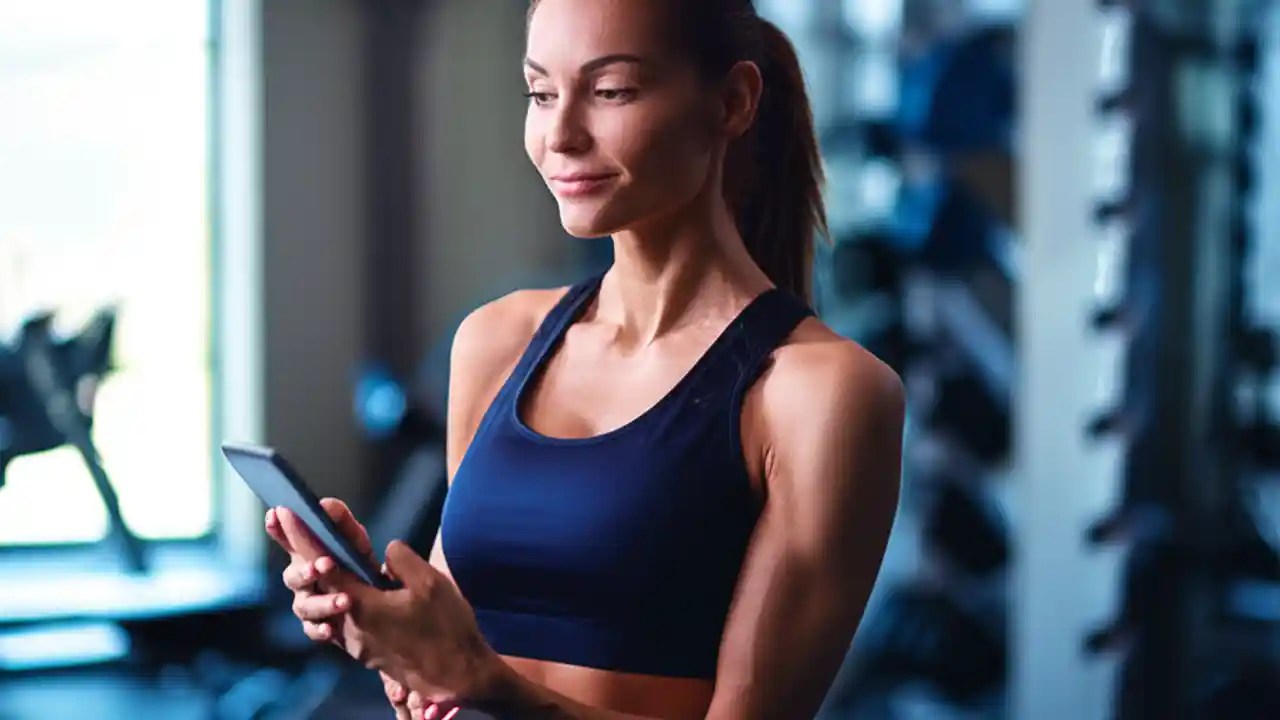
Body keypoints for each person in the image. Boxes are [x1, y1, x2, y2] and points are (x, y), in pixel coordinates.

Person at [265, 0, 905, 717]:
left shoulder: (821, 392)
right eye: (540, 94)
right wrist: (390, 628)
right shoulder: (494, 341)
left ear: (732, 101)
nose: (560, 136)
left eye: (610, 91)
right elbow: (450, 665)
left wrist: (495, 689)